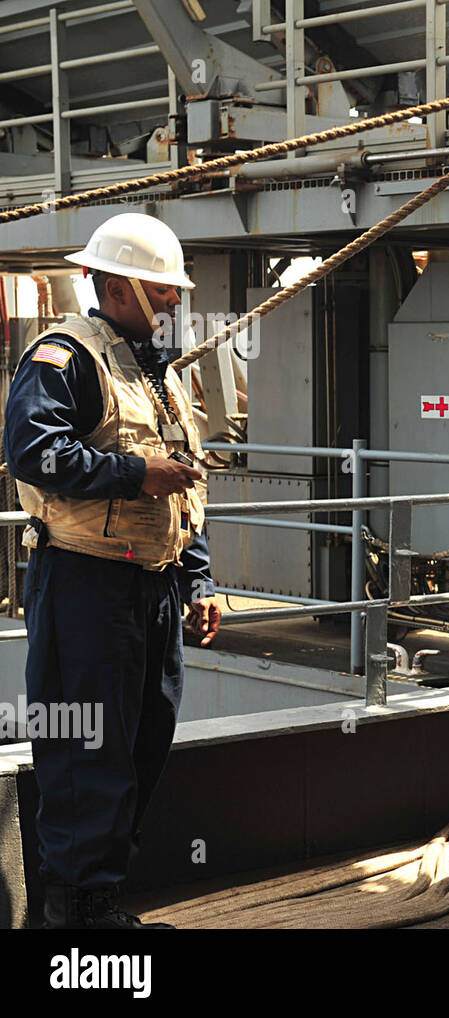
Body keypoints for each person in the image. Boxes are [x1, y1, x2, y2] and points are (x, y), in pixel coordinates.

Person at [3, 212, 220, 929]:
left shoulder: (155, 373)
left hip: (152, 588)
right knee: (85, 751)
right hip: (86, 587)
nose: (173, 301)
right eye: (161, 288)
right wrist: (132, 471)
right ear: (117, 285)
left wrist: (198, 579)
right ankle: (75, 919)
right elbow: (36, 456)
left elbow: (181, 483)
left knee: (141, 745)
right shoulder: (62, 358)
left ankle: (103, 907)